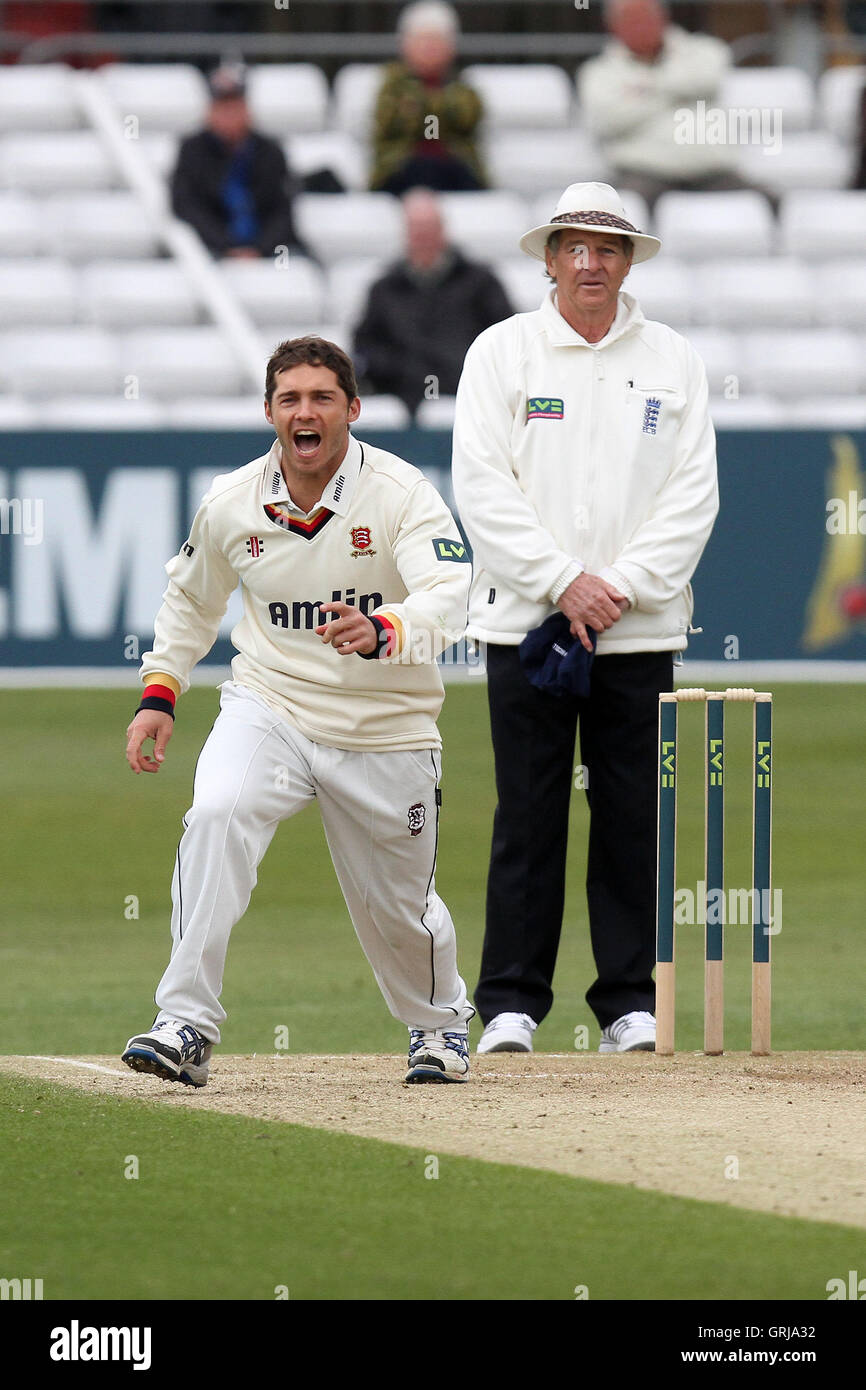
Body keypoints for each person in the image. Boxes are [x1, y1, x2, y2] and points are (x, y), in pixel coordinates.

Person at [122, 336, 475, 1087]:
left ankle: (440, 1027)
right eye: (290, 399)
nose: (305, 413)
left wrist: (385, 630)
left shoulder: (401, 491)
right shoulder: (231, 501)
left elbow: (450, 598)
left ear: (351, 409)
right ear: (270, 412)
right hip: (271, 703)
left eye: (321, 398)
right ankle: (184, 1022)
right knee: (217, 811)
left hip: (386, 726)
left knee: (397, 905)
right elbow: (190, 602)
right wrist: (161, 693)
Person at [451, 182, 719, 1055]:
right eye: (575, 247)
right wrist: (565, 580)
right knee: (526, 813)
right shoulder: (503, 352)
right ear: (550, 257)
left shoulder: (673, 358)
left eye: (608, 249)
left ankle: (629, 1003)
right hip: (527, 623)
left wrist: (620, 586)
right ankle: (511, 1005)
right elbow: (482, 490)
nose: (590, 263)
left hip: (636, 631)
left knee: (632, 812)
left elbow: (693, 496)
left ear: (629, 260)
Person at [578, 0, 761, 211]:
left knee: (769, 203)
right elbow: (607, 120)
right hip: (642, 176)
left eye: (645, 17)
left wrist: (642, 90)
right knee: (616, 213)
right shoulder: (598, 71)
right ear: (612, 26)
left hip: (713, 174)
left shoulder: (704, 50)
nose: (640, 26)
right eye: (630, 19)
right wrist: (678, 91)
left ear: (663, 18)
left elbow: (707, 79)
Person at [353, 187, 512, 415]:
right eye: (417, 230)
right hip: (403, 399)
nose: (423, 238)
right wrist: (402, 370)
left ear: (443, 230)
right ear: (405, 233)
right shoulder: (384, 289)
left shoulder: (481, 283)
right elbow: (365, 348)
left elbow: (505, 338)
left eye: (429, 229)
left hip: (471, 396)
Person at [170, 62, 309, 259]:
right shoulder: (192, 151)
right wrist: (226, 247)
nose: (230, 116)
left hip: (268, 249)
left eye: (235, 107)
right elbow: (186, 207)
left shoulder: (270, 151)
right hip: (212, 249)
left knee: (297, 268)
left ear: (247, 110)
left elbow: (283, 212)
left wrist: (260, 250)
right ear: (210, 112)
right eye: (223, 108)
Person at [370, 1, 486, 194]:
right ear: (405, 45)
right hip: (401, 169)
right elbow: (394, 123)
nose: (429, 49)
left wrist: (421, 104)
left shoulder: (464, 88)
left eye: (436, 41)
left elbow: (465, 119)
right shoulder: (391, 86)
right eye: (422, 41)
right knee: (422, 167)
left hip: (454, 168)